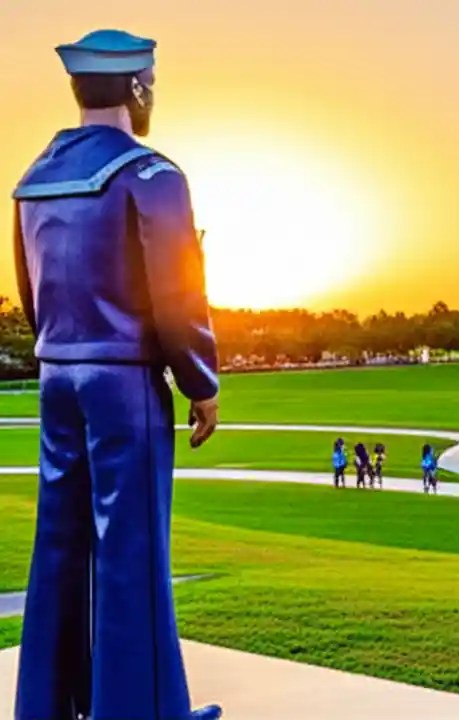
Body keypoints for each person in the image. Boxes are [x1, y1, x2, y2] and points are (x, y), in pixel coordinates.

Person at [11, 29, 221, 720]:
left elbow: (30, 289)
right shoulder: (152, 176)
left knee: (60, 546)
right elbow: (178, 297)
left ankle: (47, 706)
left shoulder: (34, 177)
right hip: (123, 380)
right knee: (132, 555)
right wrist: (201, 382)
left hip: (56, 374)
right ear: (137, 88)